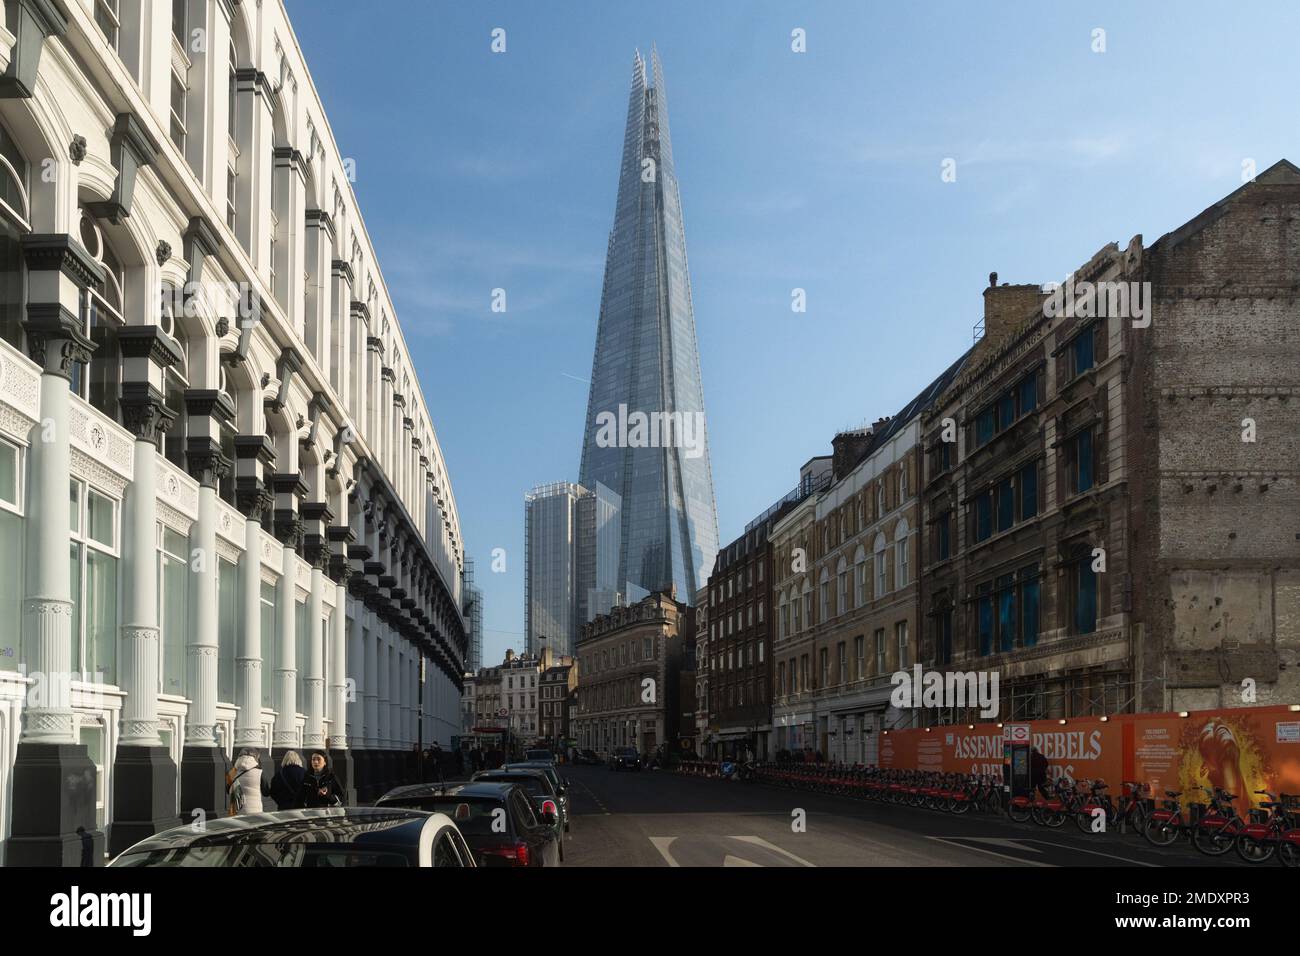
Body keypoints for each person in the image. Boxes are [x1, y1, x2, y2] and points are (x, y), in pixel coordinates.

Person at [226, 748, 269, 815]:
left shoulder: (232, 772)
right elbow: (266, 792)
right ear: (255, 757)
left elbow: (227, 790)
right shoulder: (260, 772)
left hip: (237, 809)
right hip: (255, 810)